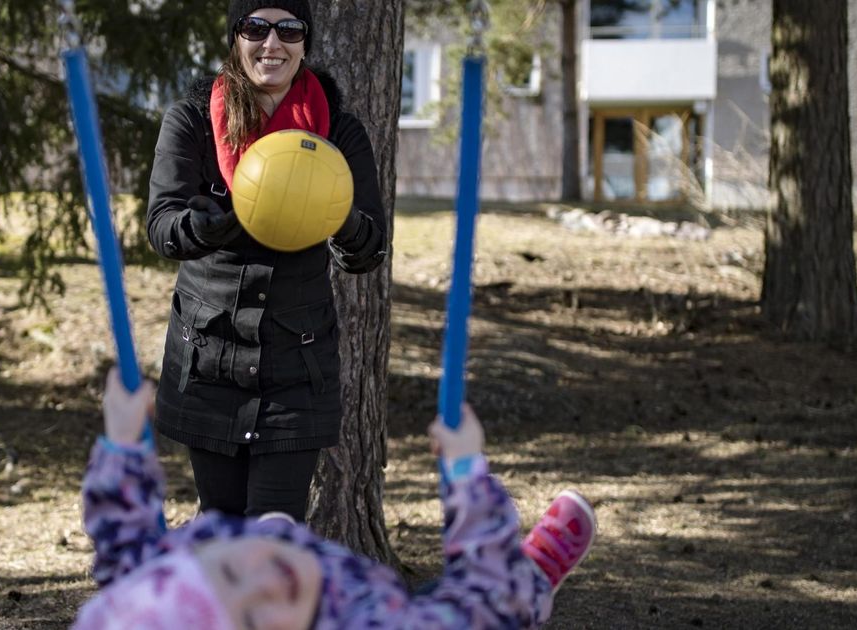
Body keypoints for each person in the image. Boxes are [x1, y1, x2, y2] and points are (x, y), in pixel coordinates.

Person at [73, 370, 597, 629]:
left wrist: (122, 442)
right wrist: (465, 471)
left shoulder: (155, 591)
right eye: (257, 619)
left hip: (256, 547)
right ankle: (535, 578)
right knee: (494, 601)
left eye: (234, 574)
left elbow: (124, 545)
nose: (267, 580)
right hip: (372, 600)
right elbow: (485, 602)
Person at [144, 0, 388, 523]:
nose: (272, 44)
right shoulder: (191, 120)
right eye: (256, 27)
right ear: (236, 36)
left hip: (295, 367)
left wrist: (337, 217)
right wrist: (202, 226)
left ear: (306, 42)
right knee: (225, 534)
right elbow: (161, 227)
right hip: (209, 359)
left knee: (274, 540)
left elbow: (368, 251)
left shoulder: (337, 132)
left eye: (289, 30)